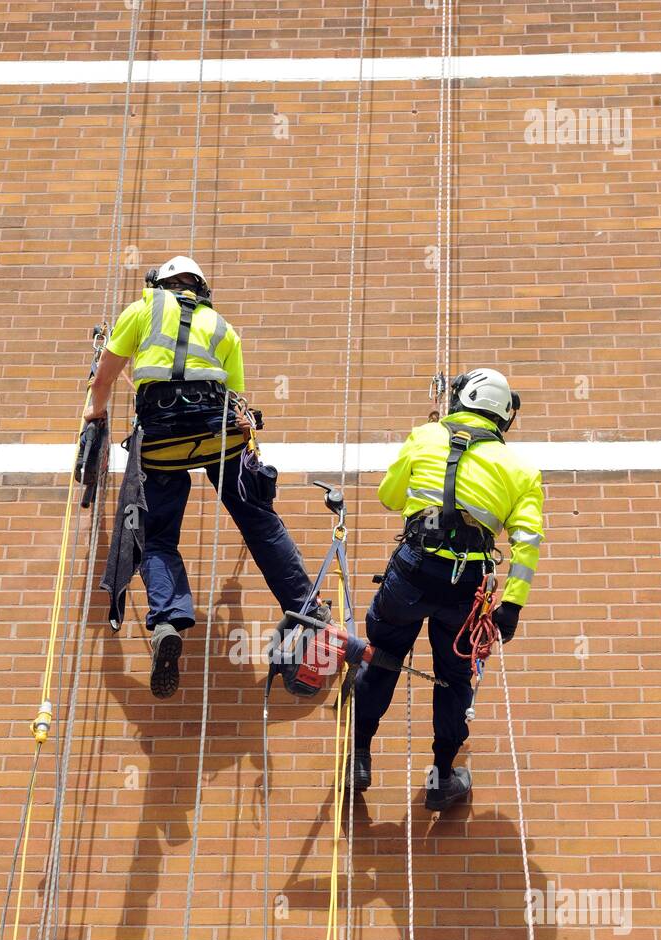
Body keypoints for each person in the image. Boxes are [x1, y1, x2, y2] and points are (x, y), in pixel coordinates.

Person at [86, 255, 320, 697]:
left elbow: (106, 376)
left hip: (160, 440)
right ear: (201, 289)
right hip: (220, 437)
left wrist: (93, 412)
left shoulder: (141, 311)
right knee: (258, 521)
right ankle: (304, 608)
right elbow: (237, 397)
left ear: (161, 284)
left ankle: (169, 622)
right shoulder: (223, 327)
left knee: (156, 537)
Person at [349, 368, 544, 810]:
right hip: (466, 585)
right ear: (502, 415)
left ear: (464, 398)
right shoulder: (522, 470)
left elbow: (390, 496)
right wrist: (510, 606)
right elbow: (527, 543)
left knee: (382, 658)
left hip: (413, 570)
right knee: (454, 680)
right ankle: (440, 779)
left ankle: (358, 756)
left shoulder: (425, 436)